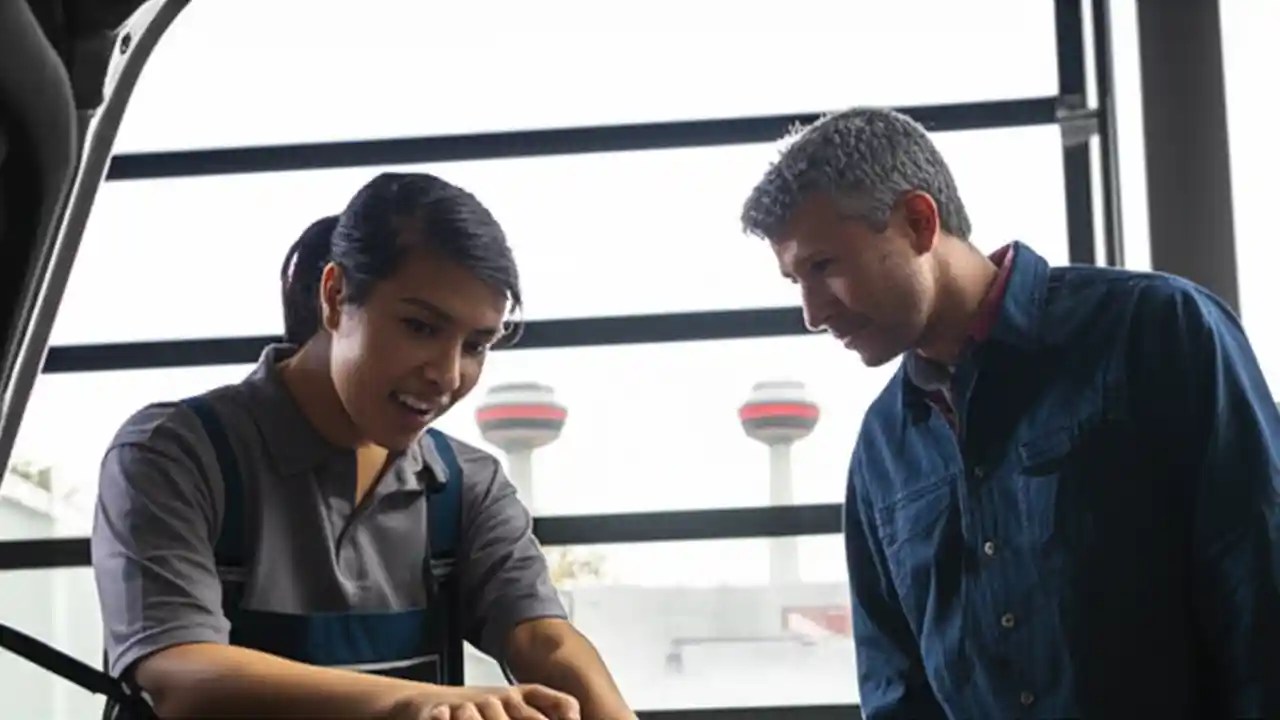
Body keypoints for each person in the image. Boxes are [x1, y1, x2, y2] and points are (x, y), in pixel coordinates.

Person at [738, 107, 1280, 719]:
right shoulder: (881, 451)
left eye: (824, 266)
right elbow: (897, 689)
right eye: (795, 281)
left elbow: (1260, 594)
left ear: (919, 222)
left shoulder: (1158, 332)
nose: (812, 313)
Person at [92, 172, 636, 720]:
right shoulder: (174, 456)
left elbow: (545, 639)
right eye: (420, 327)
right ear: (335, 296)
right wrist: (427, 702)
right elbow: (182, 674)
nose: (447, 375)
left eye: (475, 345)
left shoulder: (468, 486)